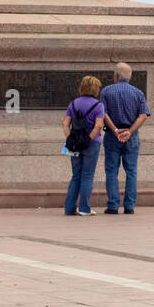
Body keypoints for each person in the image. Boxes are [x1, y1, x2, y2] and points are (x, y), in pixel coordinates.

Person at [99, 62, 151, 214]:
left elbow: (103, 113)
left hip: (112, 135)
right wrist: (130, 131)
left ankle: (113, 205)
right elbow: (143, 115)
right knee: (131, 171)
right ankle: (129, 206)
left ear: (116, 75)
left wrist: (115, 130)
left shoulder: (106, 91)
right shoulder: (138, 93)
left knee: (111, 171)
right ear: (129, 77)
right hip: (132, 136)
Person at [63, 76, 106, 216]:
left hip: (74, 144)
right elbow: (98, 125)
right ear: (95, 89)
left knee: (76, 175)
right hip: (91, 144)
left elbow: (65, 123)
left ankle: (69, 208)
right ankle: (84, 208)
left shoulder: (73, 104)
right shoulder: (98, 105)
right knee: (87, 175)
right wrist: (89, 139)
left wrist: (70, 138)